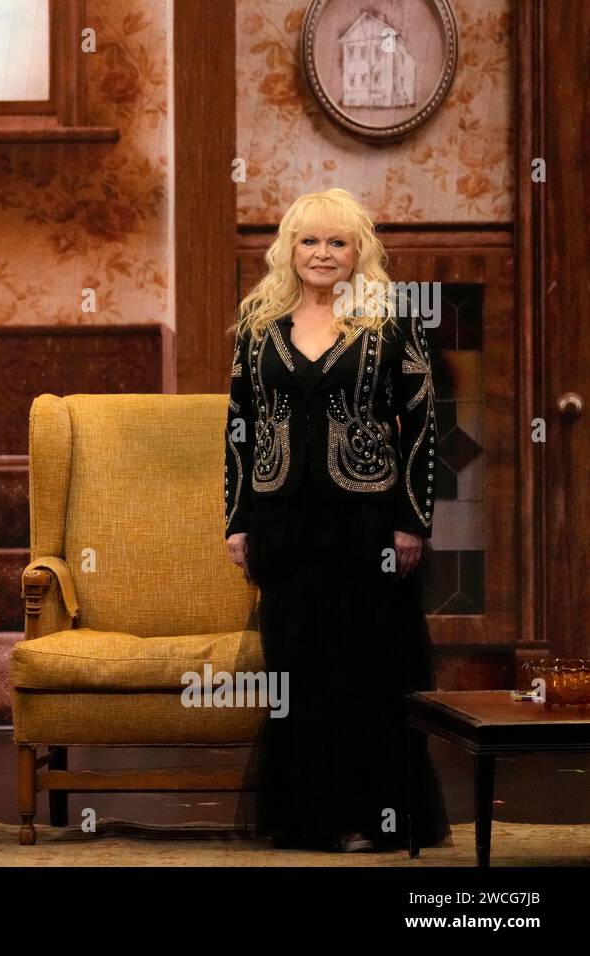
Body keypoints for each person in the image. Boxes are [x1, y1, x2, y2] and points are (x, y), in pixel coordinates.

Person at [223, 187, 451, 852]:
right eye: (309, 241)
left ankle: (371, 816)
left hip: (368, 528)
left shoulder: (389, 322)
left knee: (367, 672)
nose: (322, 253)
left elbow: (422, 430)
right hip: (284, 524)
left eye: (337, 242)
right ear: (289, 249)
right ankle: (311, 819)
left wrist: (413, 523)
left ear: (360, 252)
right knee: (301, 672)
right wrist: (237, 520)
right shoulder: (256, 326)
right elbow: (238, 427)